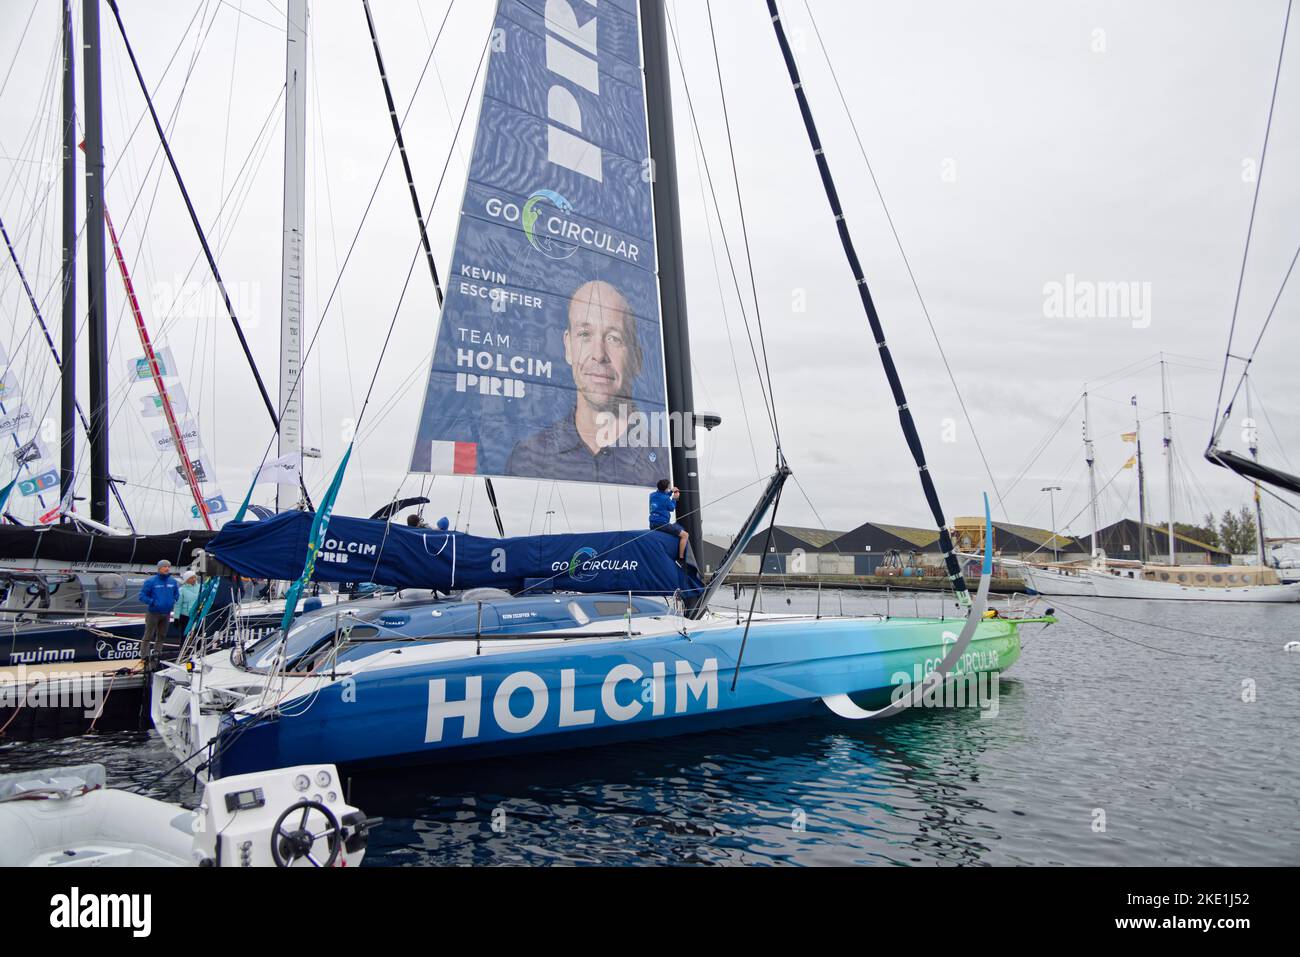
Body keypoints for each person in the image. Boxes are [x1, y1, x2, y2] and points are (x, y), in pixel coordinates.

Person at [506, 280, 666, 486]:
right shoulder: (526, 459)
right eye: (585, 335)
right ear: (568, 346)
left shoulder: (664, 464)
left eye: (614, 338)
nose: (599, 355)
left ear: (637, 359)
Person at [137, 559, 181, 665]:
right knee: (148, 635)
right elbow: (142, 596)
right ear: (159, 568)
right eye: (164, 566)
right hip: (153, 613)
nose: (167, 568)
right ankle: (144, 656)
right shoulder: (151, 581)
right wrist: (153, 602)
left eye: (168, 566)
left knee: (162, 636)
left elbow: (176, 593)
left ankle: (157, 654)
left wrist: (174, 600)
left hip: (166, 613)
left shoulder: (172, 581)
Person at [649, 478, 688, 562]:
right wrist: (675, 498)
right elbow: (671, 508)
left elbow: (662, 496)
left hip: (652, 523)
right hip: (662, 524)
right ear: (666, 488)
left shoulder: (652, 495)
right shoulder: (666, 499)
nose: (670, 488)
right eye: (669, 487)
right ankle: (681, 558)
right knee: (685, 535)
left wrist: (670, 492)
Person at [174, 570, 200, 638]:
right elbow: (178, 605)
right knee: (185, 636)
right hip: (186, 616)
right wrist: (176, 618)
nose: (194, 579)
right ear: (186, 580)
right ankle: (183, 647)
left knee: (197, 635)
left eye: (195, 577)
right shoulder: (182, 590)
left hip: (198, 615)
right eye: (191, 578)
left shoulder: (200, 587)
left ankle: (197, 648)